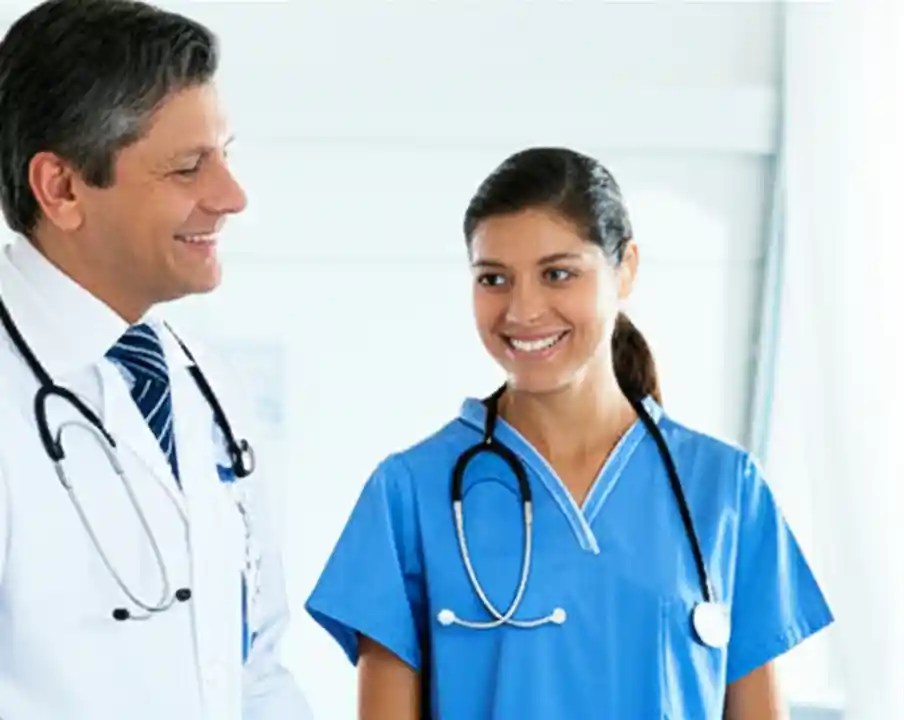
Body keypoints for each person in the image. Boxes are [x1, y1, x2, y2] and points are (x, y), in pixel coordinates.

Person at [306, 146, 834, 719]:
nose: (523, 308)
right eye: (494, 278)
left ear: (625, 268)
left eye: (558, 274)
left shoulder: (725, 490)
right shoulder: (409, 493)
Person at [0, 1, 310, 718]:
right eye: (186, 168)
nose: (231, 196)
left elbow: (251, 666)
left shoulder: (202, 377)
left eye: (225, 155)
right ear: (64, 188)